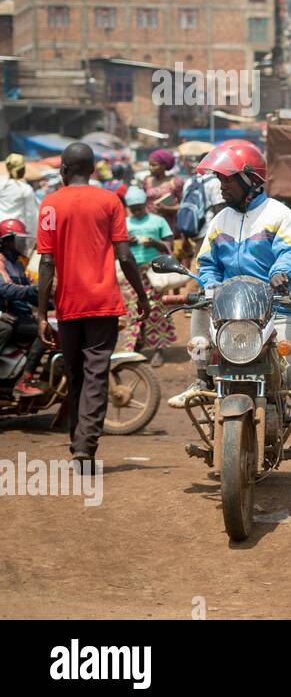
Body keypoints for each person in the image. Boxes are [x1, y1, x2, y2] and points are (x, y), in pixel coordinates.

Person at [177, 139, 291, 496]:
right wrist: (208, 285)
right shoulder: (220, 220)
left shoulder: (279, 215)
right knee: (197, 302)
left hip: (276, 308)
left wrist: (282, 273)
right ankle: (200, 378)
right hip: (230, 311)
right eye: (220, 180)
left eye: (227, 179)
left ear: (249, 179)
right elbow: (207, 264)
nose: (221, 186)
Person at [36, 143, 149, 470]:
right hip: (103, 304)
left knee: (76, 376)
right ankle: (84, 446)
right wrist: (140, 294)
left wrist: (43, 314)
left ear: (63, 169)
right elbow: (125, 256)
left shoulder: (50, 204)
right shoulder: (110, 200)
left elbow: (46, 263)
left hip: (68, 306)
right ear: (94, 168)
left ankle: (78, 444)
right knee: (95, 375)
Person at [122, 187, 177, 367]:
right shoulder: (124, 223)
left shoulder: (158, 221)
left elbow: (170, 247)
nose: (137, 211)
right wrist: (125, 244)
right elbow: (116, 251)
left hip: (154, 272)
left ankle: (159, 348)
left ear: (145, 204)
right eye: (133, 208)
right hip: (132, 273)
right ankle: (135, 347)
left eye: (139, 207)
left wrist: (155, 243)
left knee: (157, 309)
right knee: (132, 310)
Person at [0, 219, 45, 398]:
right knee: (43, 332)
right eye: (17, 240)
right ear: (6, 241)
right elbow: (4, 289)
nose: (22, 244)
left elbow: (30, 295)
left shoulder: (18, 264)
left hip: (20, 315)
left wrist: (53, 301)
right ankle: (24, 381)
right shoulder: (1, 262)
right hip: (7, 316)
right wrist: (31, 290)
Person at [142, 148, 184, 230]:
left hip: (168, 226)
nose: (150, 168)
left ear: (164, 166)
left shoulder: (175, 182)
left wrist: (166, 209)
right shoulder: (147, 181)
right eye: (149, 164)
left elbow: (183, 205)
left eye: (154, 165)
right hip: (149, 225)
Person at [0, 154, 39, 235]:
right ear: (22, 169)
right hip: (19, 234)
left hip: (1, 231)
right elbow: (31, 215)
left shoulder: (1, 185)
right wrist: (33, 236)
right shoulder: (25, 189)